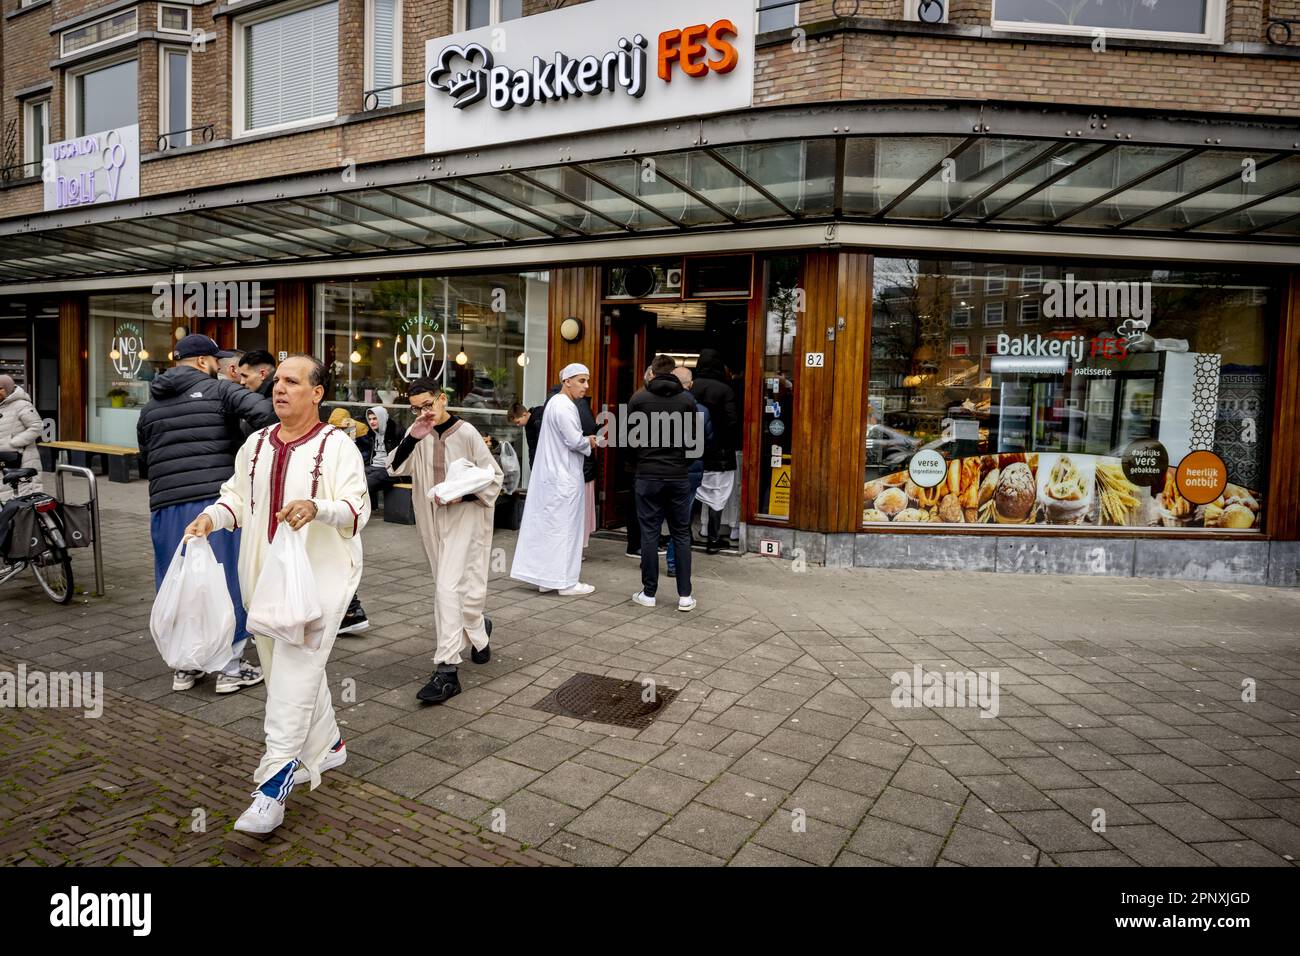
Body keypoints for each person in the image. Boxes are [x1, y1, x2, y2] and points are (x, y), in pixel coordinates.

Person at [184, 354, 371, 835]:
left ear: (317, 393)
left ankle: (274, 783)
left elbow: (356, 509)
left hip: (320, 579)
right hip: (261, 575)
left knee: (295, 669)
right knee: (284, 668)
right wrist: (213, 517)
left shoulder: (337, 447)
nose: (279, 388)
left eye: (293, 381)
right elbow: (237, 498)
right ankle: (328, 746)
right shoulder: (256, 443)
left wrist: (318, 507)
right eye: (278, 381)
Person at [137, 334, 276, 694]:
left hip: (165, 506)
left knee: (179, 582)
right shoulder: (220, 391)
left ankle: (185, 666)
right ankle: (230, 666)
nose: (220, 366)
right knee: (227, 579)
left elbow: (143, 461)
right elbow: (267, 415)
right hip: (214, 501)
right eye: (215, 360)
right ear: (202, 362)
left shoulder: (149, 408)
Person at [388, 380, 503, 704]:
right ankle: (479, 630)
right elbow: (394, 466)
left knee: (447, 588)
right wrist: (413, 436)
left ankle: (447, 670)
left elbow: (494, 478)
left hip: (465, 516)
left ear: (442, 399)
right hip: (430, 519)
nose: (423, 412)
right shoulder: (419, 433)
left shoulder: (465, 433)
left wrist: (462, 494)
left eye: (428, 405)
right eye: (416, 407)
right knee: (452, 588)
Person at [510, 364, 597, 596]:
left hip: (553, 476)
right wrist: (589, 441)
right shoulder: (565, 406)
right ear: (567, 381)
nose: (586, 386)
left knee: (550, 529)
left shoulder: (554, 404)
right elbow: (574, 441)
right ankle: (566, 582)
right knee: (566, 530)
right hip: (563, 477)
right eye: (581, 380)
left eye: (587, 380)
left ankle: (547, 578)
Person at [629, 354, 699, 612]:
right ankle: (685, 596)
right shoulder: (687, 400)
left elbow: (629, 443)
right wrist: (681, 465)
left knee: (649, 533)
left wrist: (640, 465)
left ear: (652, 373)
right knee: (681, 534)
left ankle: (649, 593)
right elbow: (694, 445)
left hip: (647, 476)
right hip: (678, 476)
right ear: (673, 372)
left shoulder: (638, 399)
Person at [691, 348, 739, 554]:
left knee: (690, 493)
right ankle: (713, 539)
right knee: (717, 495)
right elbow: (732, 421)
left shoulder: (690, 388)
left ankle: (686, 537)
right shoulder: (725, 389)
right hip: (719, 452)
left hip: (693, 450)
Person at [666, 365, 710, 579]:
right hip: (689, 472)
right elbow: (707, 440)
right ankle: (674, 563)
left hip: (660, 470)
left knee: (654, 518)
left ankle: (647, 559)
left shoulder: (658, 405)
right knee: (681, 520)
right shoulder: (701, 410)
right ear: (690, 385)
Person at [0, 374, 43, 500]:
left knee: (22, 496)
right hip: (4, 458)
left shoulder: (22, 405)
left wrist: (13, 442)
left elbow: (37, 427)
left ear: (8, 389)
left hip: (22, 458)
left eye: (0, 388)